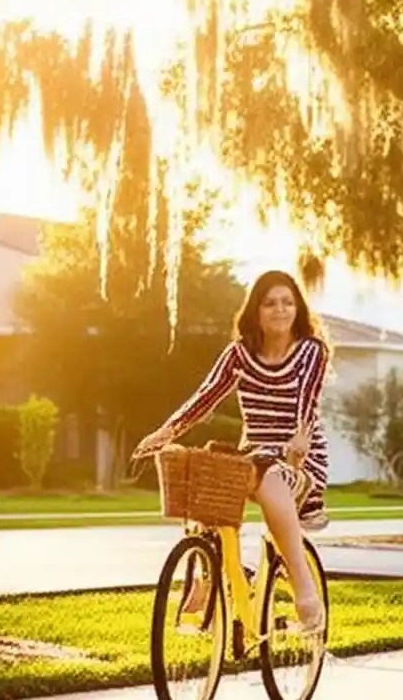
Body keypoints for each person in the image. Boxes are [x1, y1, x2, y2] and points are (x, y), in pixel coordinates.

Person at [133, 269, 331, 634]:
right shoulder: (239, 353)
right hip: (254, 454)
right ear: (255, 310)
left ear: (298, 309)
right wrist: (167, 430)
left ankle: (304, 589)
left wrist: (299, 438)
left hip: (299, 457)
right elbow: (205, 396)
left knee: (271, 477)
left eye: (288, 302)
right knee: (210, 476)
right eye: (270, 303)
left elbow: (308, 396)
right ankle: (210, 577)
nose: (280, 310)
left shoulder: (311, 351)